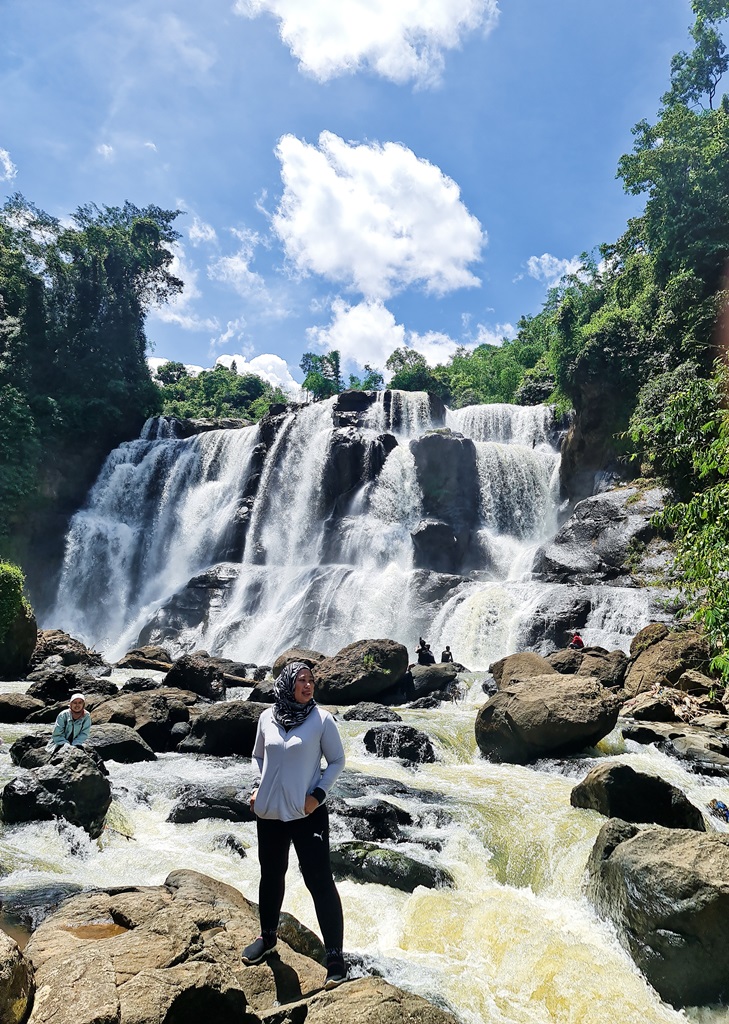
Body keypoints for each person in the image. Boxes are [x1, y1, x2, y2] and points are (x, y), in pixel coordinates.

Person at [242, 661, 347, 989]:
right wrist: (259, 786)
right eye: (301, 680)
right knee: (271, 875)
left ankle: (335, 958)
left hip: (308, 813)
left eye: (311, 681)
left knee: (319, 881)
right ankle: (268, 938)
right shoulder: (266, 718)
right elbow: (259, 756)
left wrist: (317, 794)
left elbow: (338, 761)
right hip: (271, 811)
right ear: (287, 684)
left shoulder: (322, 720)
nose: (307, 685)